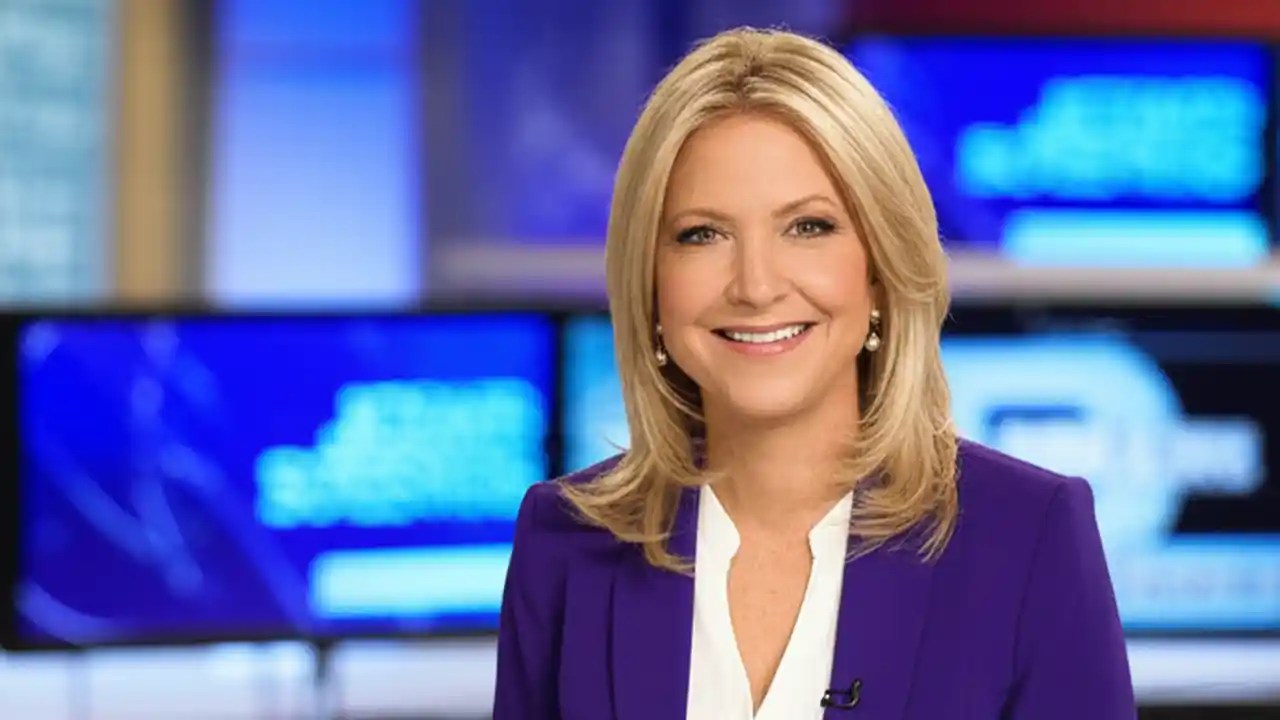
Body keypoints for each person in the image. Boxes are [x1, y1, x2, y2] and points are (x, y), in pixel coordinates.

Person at [493, 26, 1136, 720]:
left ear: (881, 269)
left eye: (808, 227)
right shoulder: (564, 543)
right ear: (649, 283)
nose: (756, 285)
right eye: (702, 234)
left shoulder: (1028, 537)